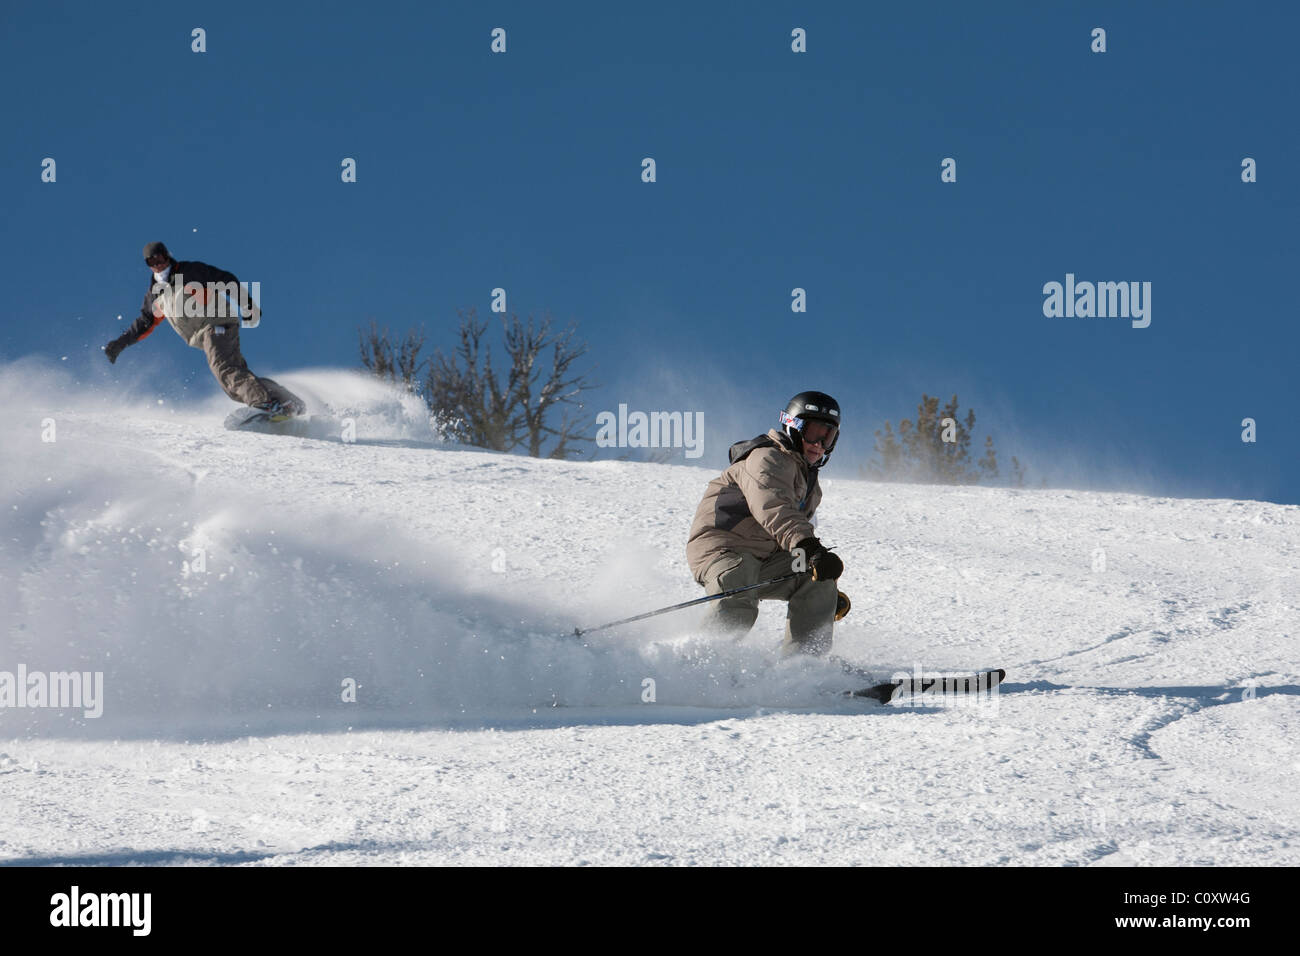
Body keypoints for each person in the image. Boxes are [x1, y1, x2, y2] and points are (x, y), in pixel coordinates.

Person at [686, 391, 846, 656]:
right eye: (813, 433)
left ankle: (804, 670)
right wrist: (810, 546)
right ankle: (703, 663)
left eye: (827, 437)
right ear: (793, 427)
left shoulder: (808, 481)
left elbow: (791, 536)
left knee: (816, 580)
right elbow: (774, 509)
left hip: (764, 559)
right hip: (722, 550)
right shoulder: (767, 458)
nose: (819, 444)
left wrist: (824, 598)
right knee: (740, 578)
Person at [104, 241, 304, 419]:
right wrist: (120, 344)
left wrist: (247, 304)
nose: (158, 264)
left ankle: (264, 404)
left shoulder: (189, 272)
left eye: (160, 258)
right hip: (205, 335)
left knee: (225, 371)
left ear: (168, 255)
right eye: (151, 262)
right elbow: (144, 324)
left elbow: (226, 279)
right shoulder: (155, 295)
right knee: (234, 379)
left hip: (216, 323)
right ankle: (285, 401)